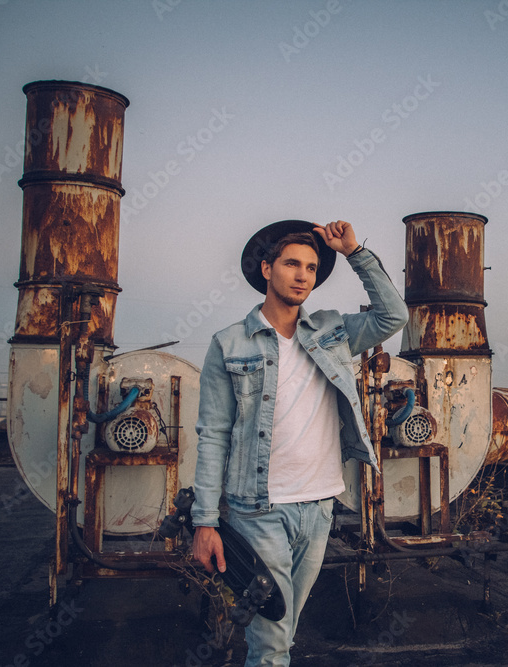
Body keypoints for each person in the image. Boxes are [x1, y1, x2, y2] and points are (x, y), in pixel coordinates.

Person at [191, 219, 408, 665]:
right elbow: (212, 436)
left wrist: (353, 252)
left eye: (311, 267)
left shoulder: (332, 331)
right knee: (271, 645)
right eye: (292, 263)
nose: (303, 274)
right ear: (267, 269)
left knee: (282, 636)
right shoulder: (229, 343)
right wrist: (205, 521)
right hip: (259, 509)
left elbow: (394, 315)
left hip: (320, 507)